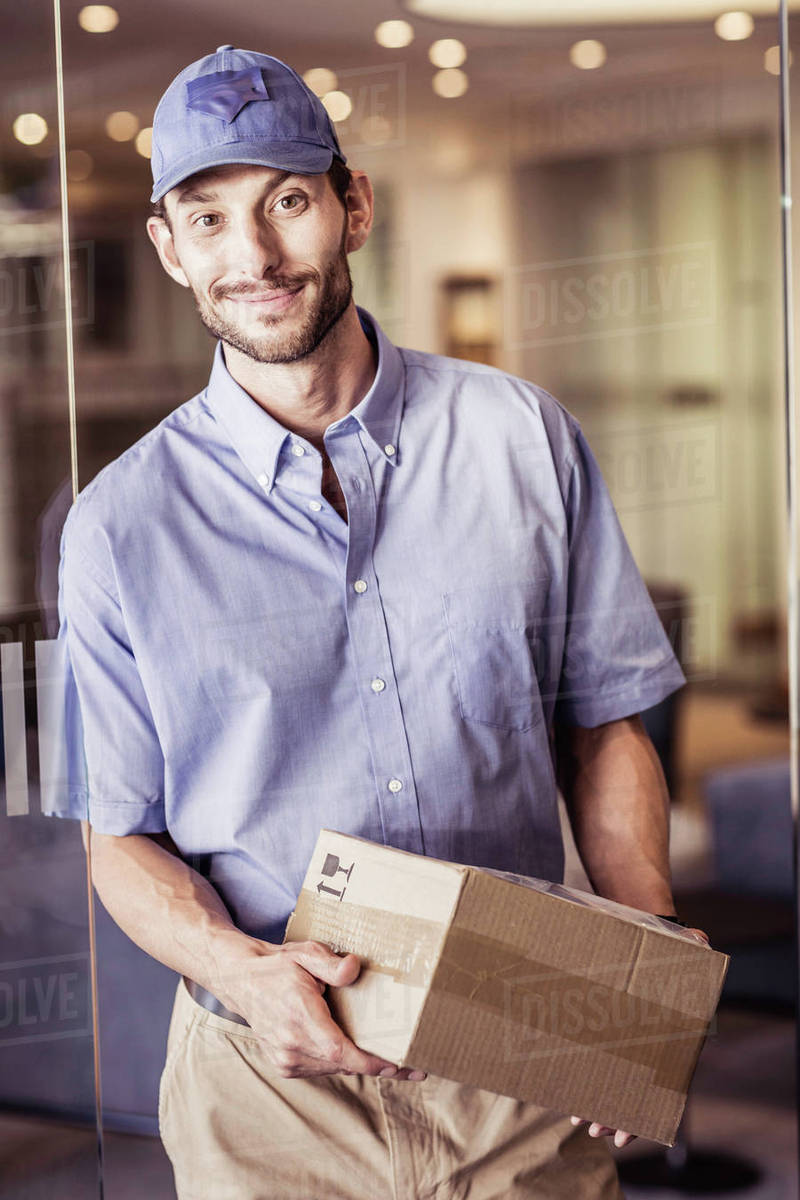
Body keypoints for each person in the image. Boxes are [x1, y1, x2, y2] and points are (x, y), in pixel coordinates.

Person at [56, 45, 705, 1199]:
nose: (250, 256)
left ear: (352, 206)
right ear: (167, 248)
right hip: (267, 1094)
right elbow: (122, 834)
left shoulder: (520, 439)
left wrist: (637, 960)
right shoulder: (119, 525)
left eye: (286, 203)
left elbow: (603, 726)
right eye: (206, 220)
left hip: (517, 1060)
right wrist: (241, 974)